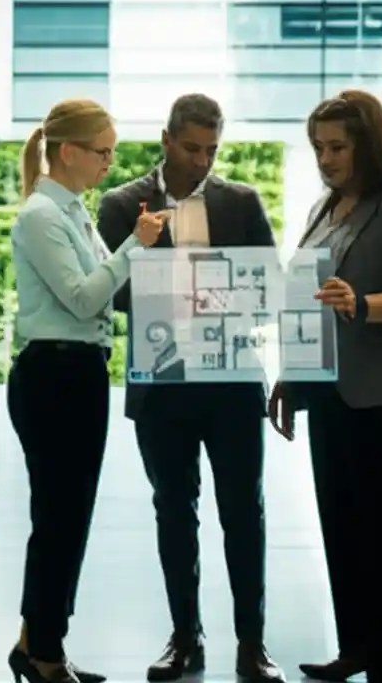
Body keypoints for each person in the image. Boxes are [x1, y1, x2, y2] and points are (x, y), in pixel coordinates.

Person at [97, 94, 286, 683]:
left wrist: (190, 291)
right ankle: (185, 638)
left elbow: (269, 290)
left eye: (212, 150)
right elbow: (114, 294)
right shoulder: (121, 205)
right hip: (162, 383)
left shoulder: (242, 202)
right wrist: (194, 288)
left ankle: (252, 644)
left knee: (244, 511)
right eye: (191, 148)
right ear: (166, 140)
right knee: (174, 511)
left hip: (232, 381)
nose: (202, 161)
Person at [267, 89, 382, 683]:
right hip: (329, 392)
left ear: (369, 144)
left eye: (337, 147)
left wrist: (362, 304)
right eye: (318, 147)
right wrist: (292, 375)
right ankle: (357, 648)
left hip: (381, 398)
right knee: (341, 528)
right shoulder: (326, 208)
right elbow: (309, 297)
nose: (326, 158)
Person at [6, 98, 170, 683]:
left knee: (68, 515)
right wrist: (134, 245)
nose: (109, 163)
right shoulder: (41, 216)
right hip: (55, 377)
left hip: (77, 373)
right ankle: (44, 652)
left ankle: (39, 640)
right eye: (102, 152)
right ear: (69, 151)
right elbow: (82, 297)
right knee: (59, 516)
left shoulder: (71, 210)